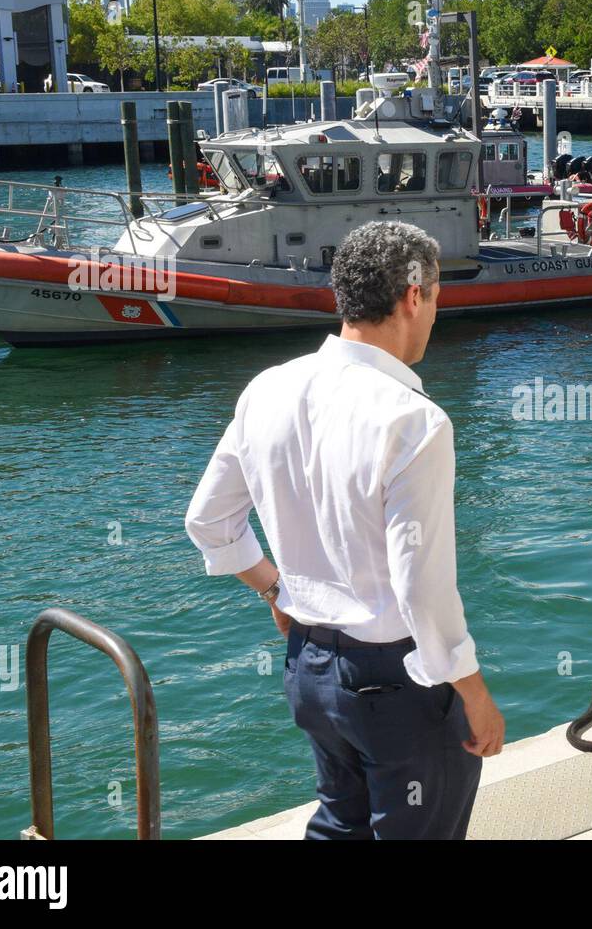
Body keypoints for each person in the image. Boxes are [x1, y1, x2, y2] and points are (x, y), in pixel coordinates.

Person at [185, 221, 504, 840]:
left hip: (310, 671)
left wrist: (273, 589)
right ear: (413, 297)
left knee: (338, 827)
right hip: (398, 686)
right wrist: (473, 691)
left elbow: (208, 520)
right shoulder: (415, 422)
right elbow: (421, 587)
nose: (435, 314)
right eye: (436, 297)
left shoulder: (267, 389)